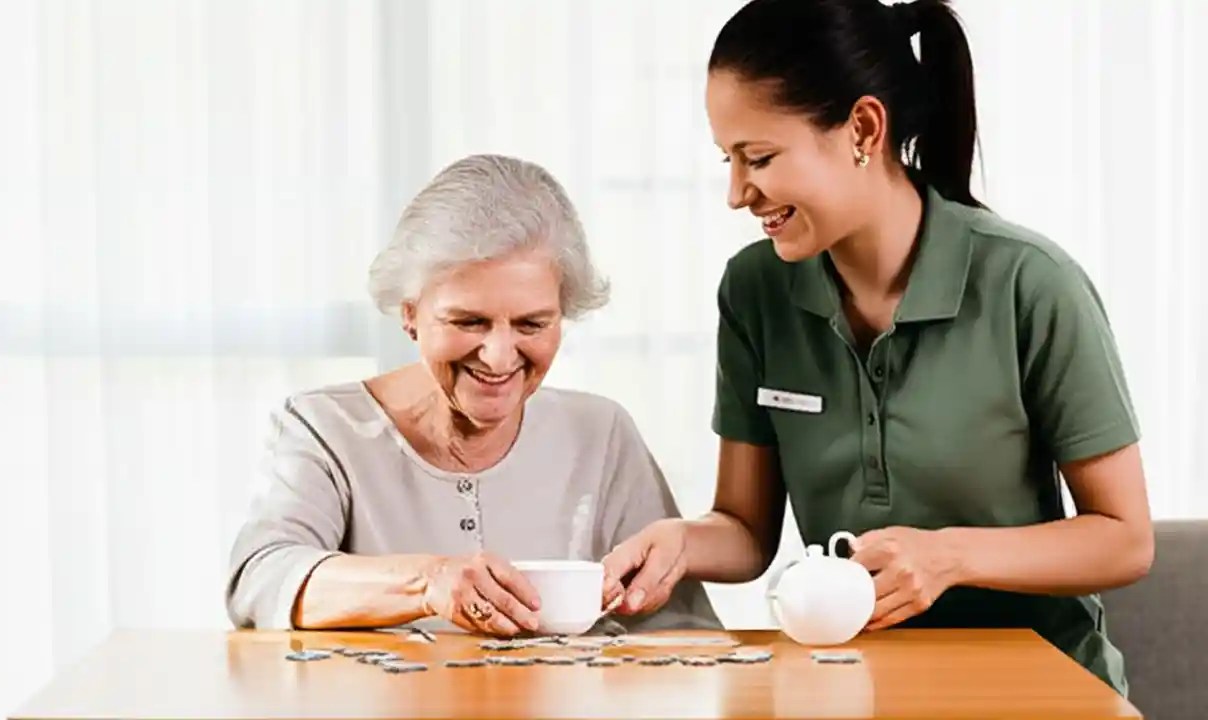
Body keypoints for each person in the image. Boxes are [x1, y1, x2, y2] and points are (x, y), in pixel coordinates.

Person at [602, 0, 1151, 693]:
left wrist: (950, 557)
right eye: (729, 161)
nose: (738, 193)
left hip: (1038, 687)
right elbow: (746, 527)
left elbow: (1125, 538)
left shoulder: (1029, 284)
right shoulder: (754, 292)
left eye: (760, 158)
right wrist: (678, 541)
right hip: (846, 684)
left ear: (863, 128)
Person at [225, 153, 719, 637]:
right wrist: (427, 583)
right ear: (410, 313)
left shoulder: (601, 432)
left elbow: (682, 631)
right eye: (468, 321)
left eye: (532, 323)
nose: (501, 357)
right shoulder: (325, 427)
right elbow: (261, 577)